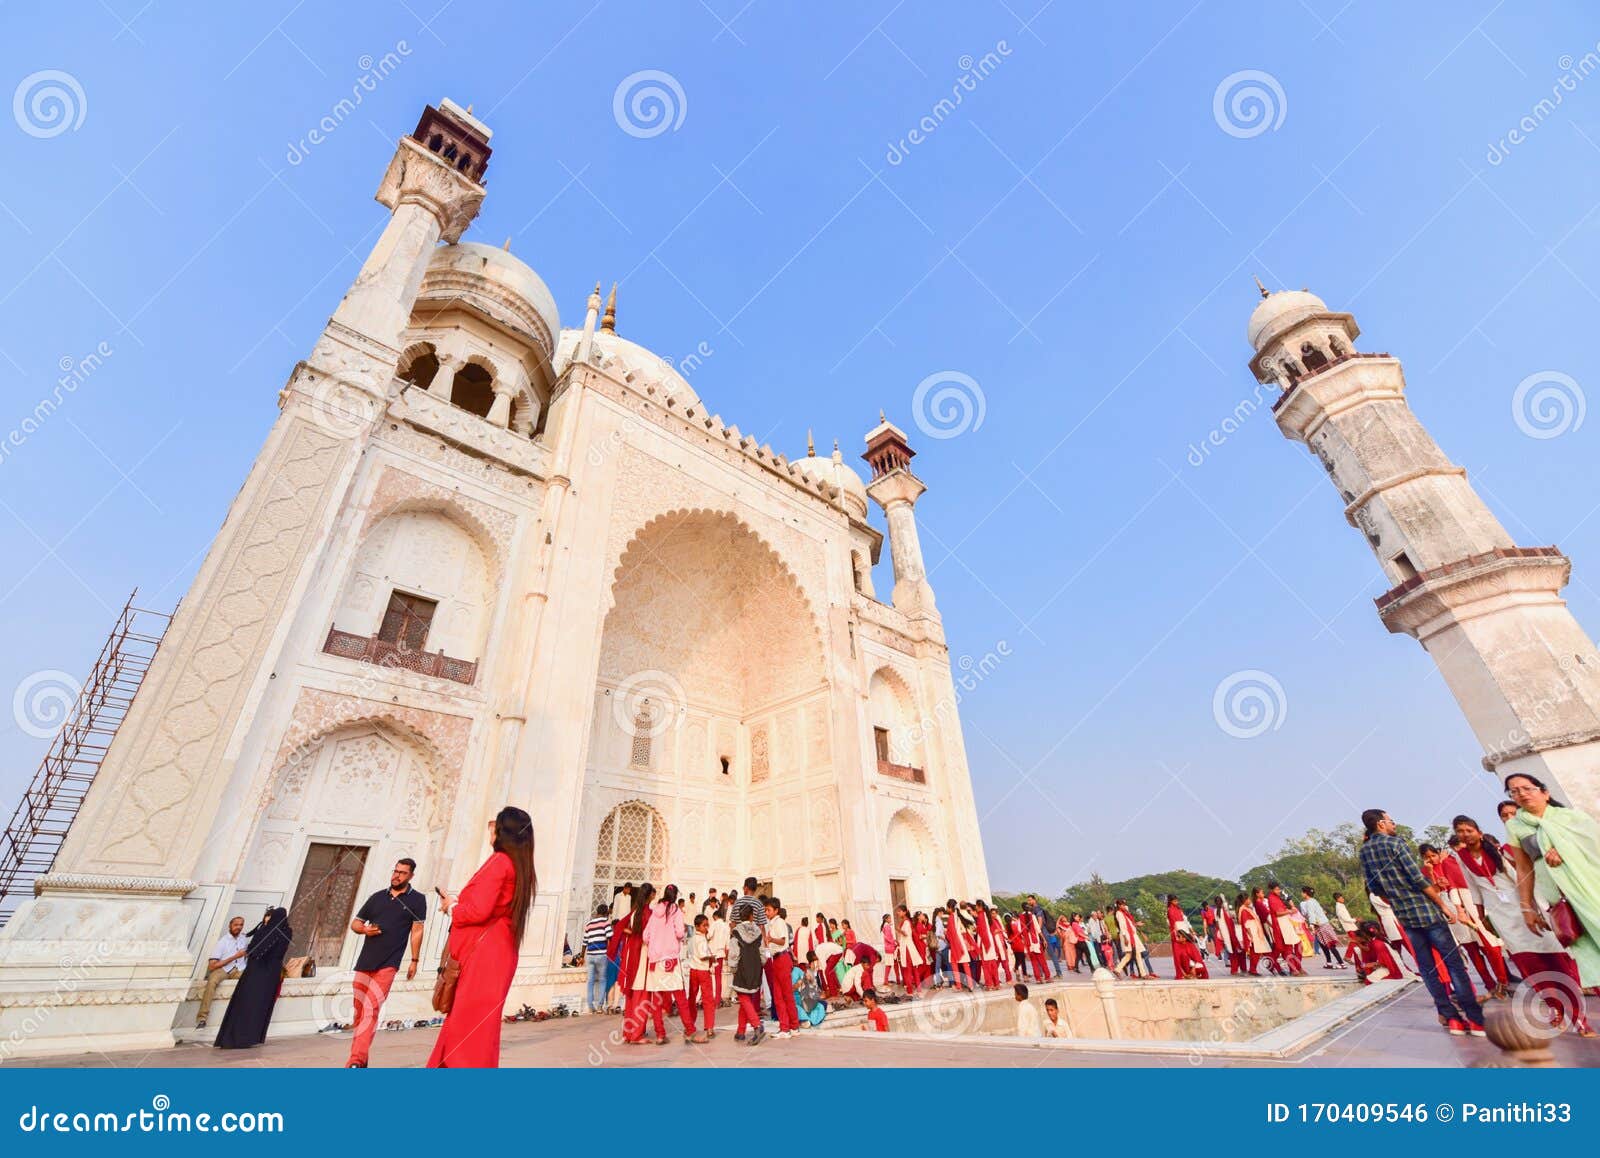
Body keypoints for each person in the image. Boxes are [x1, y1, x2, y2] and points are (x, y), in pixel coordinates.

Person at [1454, 812, 1592, 1036]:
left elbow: (1522, 878)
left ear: (1478, 832)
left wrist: (1535, 909)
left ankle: (1580, 1018)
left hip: (1525, 911)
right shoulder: (1462, 858)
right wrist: (1481, 919)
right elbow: (1474, 890)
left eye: (1469, 830)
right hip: (1503, 919)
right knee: (1531, 968)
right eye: (1460, 831)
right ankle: (1555, 1009)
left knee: (1559, 963)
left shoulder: (1498, 851)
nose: (1465, 835)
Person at [1358, 808, 1485, 1037]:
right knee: (1454, 965)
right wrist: (1443, 906)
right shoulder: (1396, 844)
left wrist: (1398, 900)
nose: (1393, 824)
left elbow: (1375, 888)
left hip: (1405, 917)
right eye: (1390, 820)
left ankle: (1453, 1019)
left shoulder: (1365, 852)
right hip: (1426, 912)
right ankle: (1475, 1020)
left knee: (1428, 969)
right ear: (1380, 824)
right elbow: (1417, 879)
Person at [428, 806, 536, 1067]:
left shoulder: (500, 862)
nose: (490, 830)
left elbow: (478, 911)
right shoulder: (520, 866)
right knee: (471, 1024)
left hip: (484, 956)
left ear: (503, 831)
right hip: (496, 952)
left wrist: (452, 906)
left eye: (495, 825)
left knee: (469, 1026)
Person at [1504, 772, 1600, 993]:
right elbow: (1523, 867)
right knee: (1587, 953)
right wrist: (1527, 907)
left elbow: (1595, 844)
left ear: (1545, 793)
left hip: (1592, 890)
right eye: (1515, 791)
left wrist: (1565, 848)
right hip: (1560, 898)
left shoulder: (1572, 818)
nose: (1522, 794)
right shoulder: (1516, 826)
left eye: (1527, 788)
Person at [346, 857, 428, 1067]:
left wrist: (414, 960)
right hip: (365, 963)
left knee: (371, 1010)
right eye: (395, 871)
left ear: (411, 876)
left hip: (388, 963)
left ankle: (354, 1062)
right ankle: (361, 1059)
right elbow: (356, 923)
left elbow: (417, 930)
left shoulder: (417, 900)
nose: (396, 875)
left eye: (402, 873)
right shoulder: (377, 898)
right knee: (359, 1013)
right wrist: (364, 929)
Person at [214, 906, 293, 1050]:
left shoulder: (265, 931)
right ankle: (252, 1037)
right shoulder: (287, 931)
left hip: (256, 972)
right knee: (261, 1005)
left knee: (246, 1003)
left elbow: (253, 950)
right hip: (272, 973)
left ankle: (236, 1038)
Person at [195, 915, 249, 1030]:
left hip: (239, 969)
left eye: (241, 925)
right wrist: (235, 956)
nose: (238, 927)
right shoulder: (222, 942)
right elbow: (212, 966)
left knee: (251, 981)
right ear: (230, 926)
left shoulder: (243, 939)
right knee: (212, 982)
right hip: (224, 969)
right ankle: (202, 1018)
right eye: (236, 925)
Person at [729, 906, 767, 1045]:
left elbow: (733, 953)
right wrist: (760, 964)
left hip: (742, 967)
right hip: (755, 967)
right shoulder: (758, 931)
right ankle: (740, 1031)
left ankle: (757, 1026)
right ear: (751, 916)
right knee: (746, 999)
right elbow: (763, 951)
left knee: (743, 998)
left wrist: (733, 967)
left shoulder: (736, 932)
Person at [764, 897, 800, 1036]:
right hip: (777, 959)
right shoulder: (772, 924)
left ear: (776, 911)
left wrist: (771, 939)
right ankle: (790, 1027)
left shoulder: (779, 923)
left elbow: (782, 941)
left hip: (782, 959)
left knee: (783, 995)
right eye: (766, 910)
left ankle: (789, 1027)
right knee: (782, 996)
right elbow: (770, 946)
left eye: (769, 910)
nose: (766, 912)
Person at [685, 912, 717, 1042]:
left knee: (692, 999)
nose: (707, 928)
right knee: (708, 999)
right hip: (703, 971)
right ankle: (709, 1027)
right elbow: (703, 955)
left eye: (707, 925)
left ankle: (689, 1025)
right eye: (704, 925)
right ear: (697, 927)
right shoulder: (702, 939)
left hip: (693, 970)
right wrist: (712, 956)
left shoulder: (691, 939)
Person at [1298, 886, 1345, 970]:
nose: (1301, 894)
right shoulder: (1314, 901)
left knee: (1330, 945)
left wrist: (1311, 924)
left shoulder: (1309, 902)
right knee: (1323, 945)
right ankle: (1329, 962)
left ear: (1305, 893)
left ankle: (1341, 963)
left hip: (1321, 925)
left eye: (1302, 892)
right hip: (1323, 924)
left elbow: (1311, 914)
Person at [1166, 896, 1208, 979]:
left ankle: (1194, 971)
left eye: (1177, 901)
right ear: (1170, 901)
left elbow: (1186, 922)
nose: (1177, 902)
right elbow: (1173, 923)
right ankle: (1183, 973)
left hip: (1185, 932)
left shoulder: (1179, 909)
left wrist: (1191, 932)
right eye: (1175, 901)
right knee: (1179, 957)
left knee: (1193, 954)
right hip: (1177, 933)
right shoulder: (1170, 910)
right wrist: (1178, 935)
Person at [582, 904, 611, 1014]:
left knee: (590, 981)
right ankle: (599, 1006)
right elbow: (610, 937)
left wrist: (581, 956)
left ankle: (590, 1006)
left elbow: (585, 941)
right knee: (602, 979)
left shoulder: (589, 923)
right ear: (605, 912)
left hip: (590, 955)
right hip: (601, 954)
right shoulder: (605, 922)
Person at [1236, 891, 1271, 975]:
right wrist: (1251, 936)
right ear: (1244, 900)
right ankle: (1253, 970)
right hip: (1253, 933)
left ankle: (1253, 969)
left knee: (1256, 952)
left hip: (1255, 932)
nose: (1249, 900)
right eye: (1247, 899)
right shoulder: (1243, 910)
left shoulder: (1246, 909)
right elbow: (1246, 924)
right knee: (1255, 952)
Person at [1113, 900, 1150, 979]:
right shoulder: (1119, 913)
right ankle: (1143, 974)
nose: (1124, 906)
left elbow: (1130, 925)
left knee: (1131, 955)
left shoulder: (1125, 913)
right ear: (1119, 906)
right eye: (1122, 905)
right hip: (1127, 936)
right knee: (1133, 954)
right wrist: (1125, 938)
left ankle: (1118, 969)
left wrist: (1136, 924)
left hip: (1132, 935)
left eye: (1125, 905)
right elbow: (1122, 926)